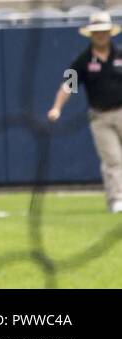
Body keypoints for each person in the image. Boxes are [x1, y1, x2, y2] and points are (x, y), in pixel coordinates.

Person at [47, 11, 122, 213]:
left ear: (110, 32)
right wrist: (57, 107)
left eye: (104, 31)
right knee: (113, 159)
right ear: (90, 34)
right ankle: (116, 199)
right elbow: (68, 86)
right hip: (101, 117)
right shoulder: (82, 61)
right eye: (96, 32)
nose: (101, 35)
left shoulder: (120, 54)